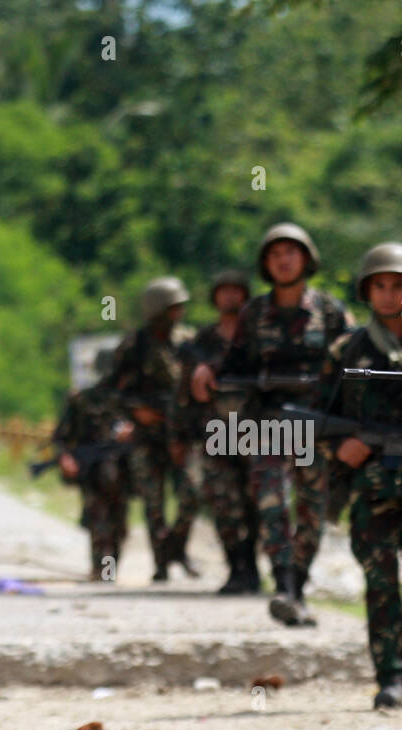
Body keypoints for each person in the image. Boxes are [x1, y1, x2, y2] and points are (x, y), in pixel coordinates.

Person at [191, 223, 351, 626]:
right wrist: (206, 371)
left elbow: (354, 361)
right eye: (275, 253)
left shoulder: (330, 311)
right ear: (266, 264)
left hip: (316, 425)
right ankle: (282, 584)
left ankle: (296, 586)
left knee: (313, 511)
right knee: (272, 502)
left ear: (306, 259)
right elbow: (235, 365)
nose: (283, 260)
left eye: (291, 252)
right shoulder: (254, 313)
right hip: (269, 424)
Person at [324, 243, 402, 708]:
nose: (387, 293)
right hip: (373, 487)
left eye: (397, 284)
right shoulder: (348, 349)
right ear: (366, 290)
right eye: (379, 284)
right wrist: (341, 447)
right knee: (381, 583)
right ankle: (390, 676)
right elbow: (321, 416)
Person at [172, 270, 261, 594]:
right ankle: (237, 568)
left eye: (236, 291)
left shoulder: (256, 337)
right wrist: (179, 436)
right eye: (223, 291)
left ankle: (254, 567)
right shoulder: (202, 341)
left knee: (257, 501)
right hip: (214, 433)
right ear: (214, 298)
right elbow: (183, 393)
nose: (230, 297)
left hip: (256, 430)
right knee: (224, 503)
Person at [109, 277, 198, 582]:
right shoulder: (135, 345)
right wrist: (135, 413)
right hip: (147, 436)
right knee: (153, 502)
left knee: (193, 491)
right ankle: (161, 563)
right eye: (173, 308)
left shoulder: (188, 341)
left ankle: (178, 547)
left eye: (180, 307)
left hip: (181, 433)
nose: (178, 313)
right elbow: (112, 392)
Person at [53, 350, 133, 581]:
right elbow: (62, 436)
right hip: (92, 471)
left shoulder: (127, 400)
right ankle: (100, 569)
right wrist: (65, 457)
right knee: (97, 520)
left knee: (118, 523)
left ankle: (110, 569)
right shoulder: (82, 399)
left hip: (122, 470)